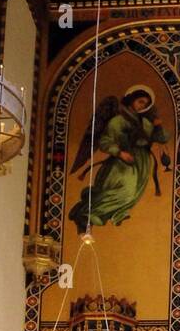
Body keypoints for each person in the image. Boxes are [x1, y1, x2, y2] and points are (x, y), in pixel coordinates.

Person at [69, 84, 169, 231]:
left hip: (141, 163)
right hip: (122, 163)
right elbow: (104, 141)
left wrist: (158, 126)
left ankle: (110, 213)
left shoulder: (146, 123)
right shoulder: (118, 121)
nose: (143, 106)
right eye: (140, 101)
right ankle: (87, 213)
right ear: (131, 100)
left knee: (134, 194)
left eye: (146, 104)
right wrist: (120, 153)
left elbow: (162, 138)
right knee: (126, 192)